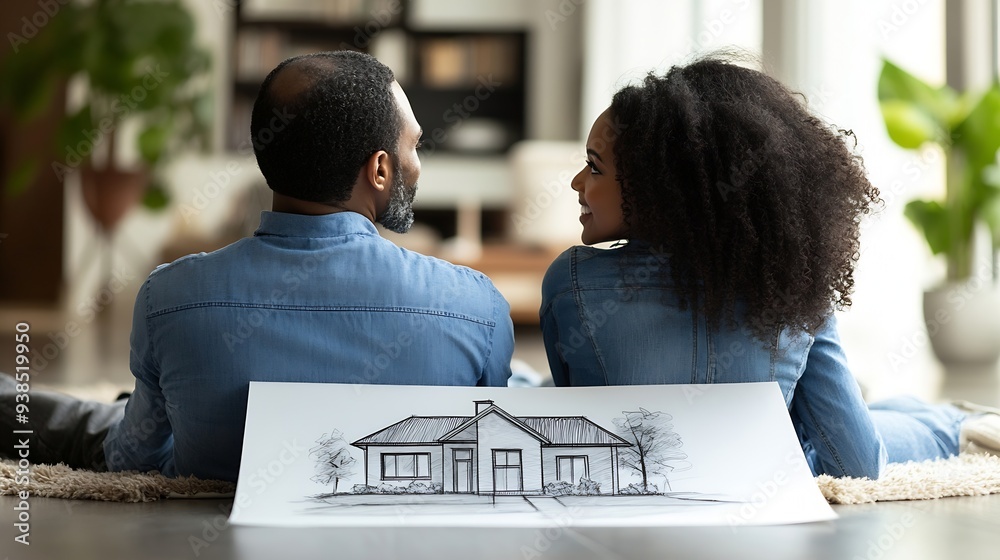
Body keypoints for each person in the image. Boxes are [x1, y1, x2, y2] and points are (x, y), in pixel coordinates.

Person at [1, 51, 515, 482]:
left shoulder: (170, 297)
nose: (417, 161)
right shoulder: (476, 306)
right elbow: (492, 441)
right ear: (379, 169)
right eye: (414, 145)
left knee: (92, 421)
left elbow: (133, 462)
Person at [539, 55, 1000, 479]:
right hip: (780, 462)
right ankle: (958, 422)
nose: (577, 182)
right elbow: (858, 462)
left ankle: (948, 418)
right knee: (913, 420)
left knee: (904, 412)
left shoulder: (570, 282)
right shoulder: (788, 282)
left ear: (659, 187)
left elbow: (578, 422)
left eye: (594, 168)